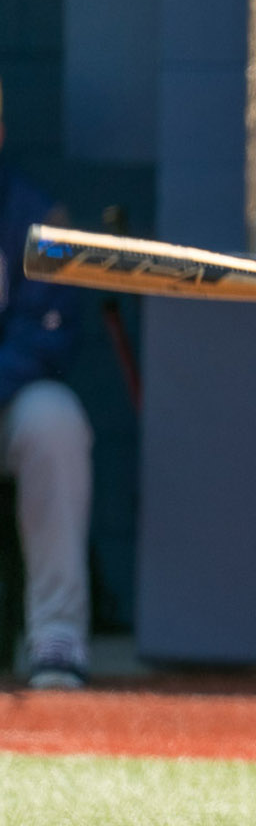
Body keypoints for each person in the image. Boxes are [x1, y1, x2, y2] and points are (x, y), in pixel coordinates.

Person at [0, 82, 95, 688]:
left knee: (55, 421)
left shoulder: (33, 213)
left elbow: (49, 329)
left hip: (8, 397)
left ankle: (55, 634)